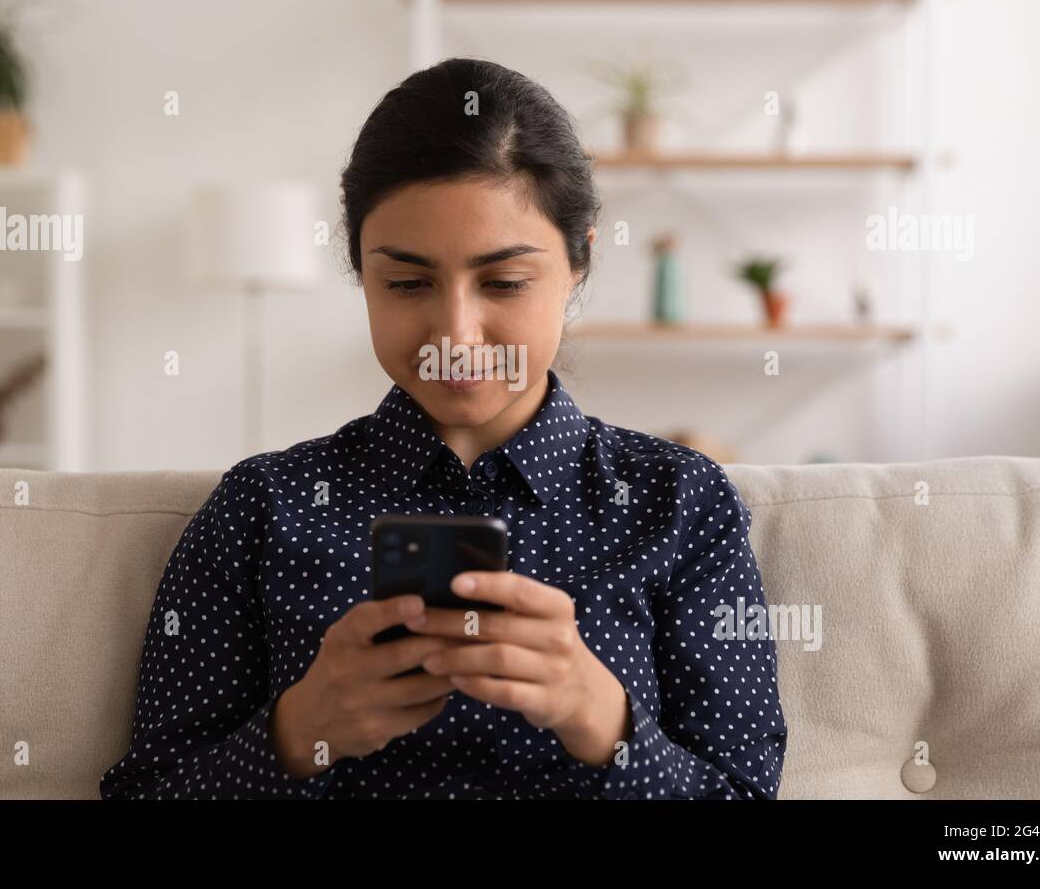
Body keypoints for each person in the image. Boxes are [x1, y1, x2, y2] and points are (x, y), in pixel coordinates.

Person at [99, 57, 787, 799]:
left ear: (579, 261)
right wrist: (297, 736)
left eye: (504, 282)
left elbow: (745, 790)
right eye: (407, 283)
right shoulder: (263, 508)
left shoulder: (680, 503)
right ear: (359, 268)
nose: (455, 334)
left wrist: (604, 722)